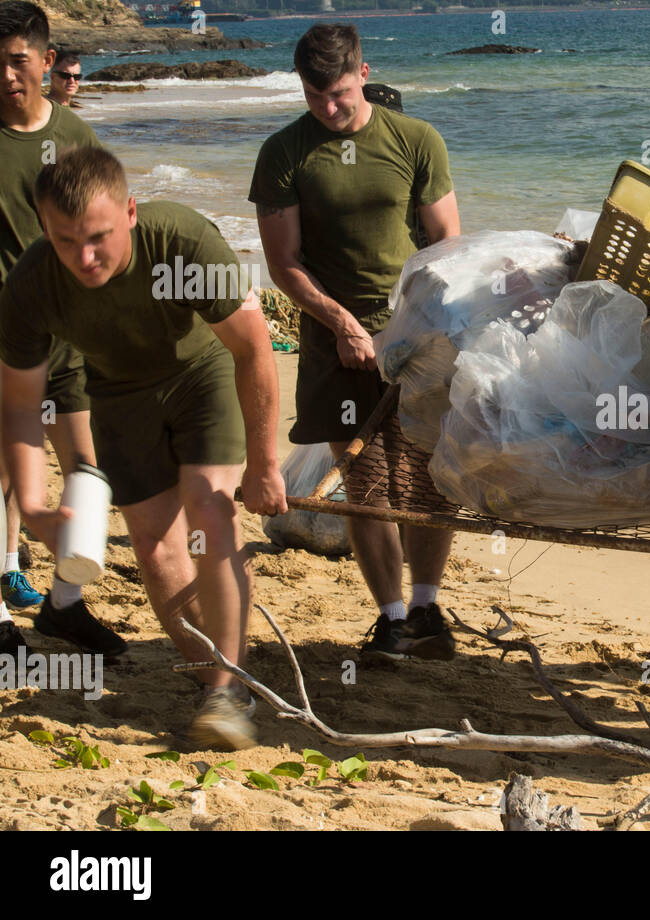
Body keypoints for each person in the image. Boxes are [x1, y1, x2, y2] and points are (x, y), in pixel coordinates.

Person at [0, 146, 288, 749]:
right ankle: (217, 680)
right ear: (43, 228)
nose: (84, 258)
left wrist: (263, 463)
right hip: (118, 394)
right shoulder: (32, 283)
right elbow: (22, 404)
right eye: (64, 240)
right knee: (155, 550)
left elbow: (253, 348)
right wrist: (30, 502)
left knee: (210, 510)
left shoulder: (181, 241)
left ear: (130, 212)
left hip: (201, 375)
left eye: (98, 238)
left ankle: (227, 688)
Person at [250, 24, 460, 663]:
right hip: (332, 343)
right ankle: (391, 618)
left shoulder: (415, 139)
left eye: (339, 93)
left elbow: (448, 245)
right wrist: (341, 323)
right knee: (367, 482)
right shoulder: (284, 153)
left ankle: (426, 608)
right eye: (315, 97)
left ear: (363, 73)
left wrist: (423, 330)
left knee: (429, 478)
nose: (329, 108)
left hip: (416, 339)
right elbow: (284, 263)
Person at [0, 1, 116, 658]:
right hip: (2, 338)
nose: (8, 76)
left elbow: (101, 233)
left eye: (19, 61)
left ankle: (66, 604)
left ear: (47, 62)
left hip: (68, 334)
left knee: (90, 470)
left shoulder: (74, 135)